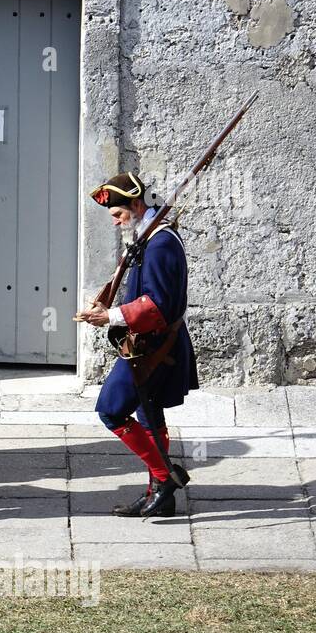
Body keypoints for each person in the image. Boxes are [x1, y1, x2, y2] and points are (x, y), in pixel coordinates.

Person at [76, 171, 197, 517]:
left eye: (118, 215)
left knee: (111, 410)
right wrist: (106, 307)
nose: (116, 223)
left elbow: (156, 305)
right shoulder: (149, 238)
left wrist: (111, 317)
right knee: (148, 414)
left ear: (134, 203)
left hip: (156, 348)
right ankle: (158, 496)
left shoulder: (160, 244)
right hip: (150, 345)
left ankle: (164, 477)